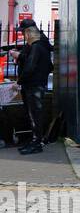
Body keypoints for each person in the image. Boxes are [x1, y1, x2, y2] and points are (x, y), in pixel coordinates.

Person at [14, 19, 52, 155]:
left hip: (33, 85)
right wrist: (20, 56)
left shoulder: (37, 45)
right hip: (34, 84)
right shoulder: (38, 43)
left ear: (29, 31)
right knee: (33, 115)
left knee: (35, 115)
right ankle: (34, 141)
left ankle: (36, 144)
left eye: (23, 32)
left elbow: (30, 67)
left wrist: (18, 81)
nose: (23, 35)